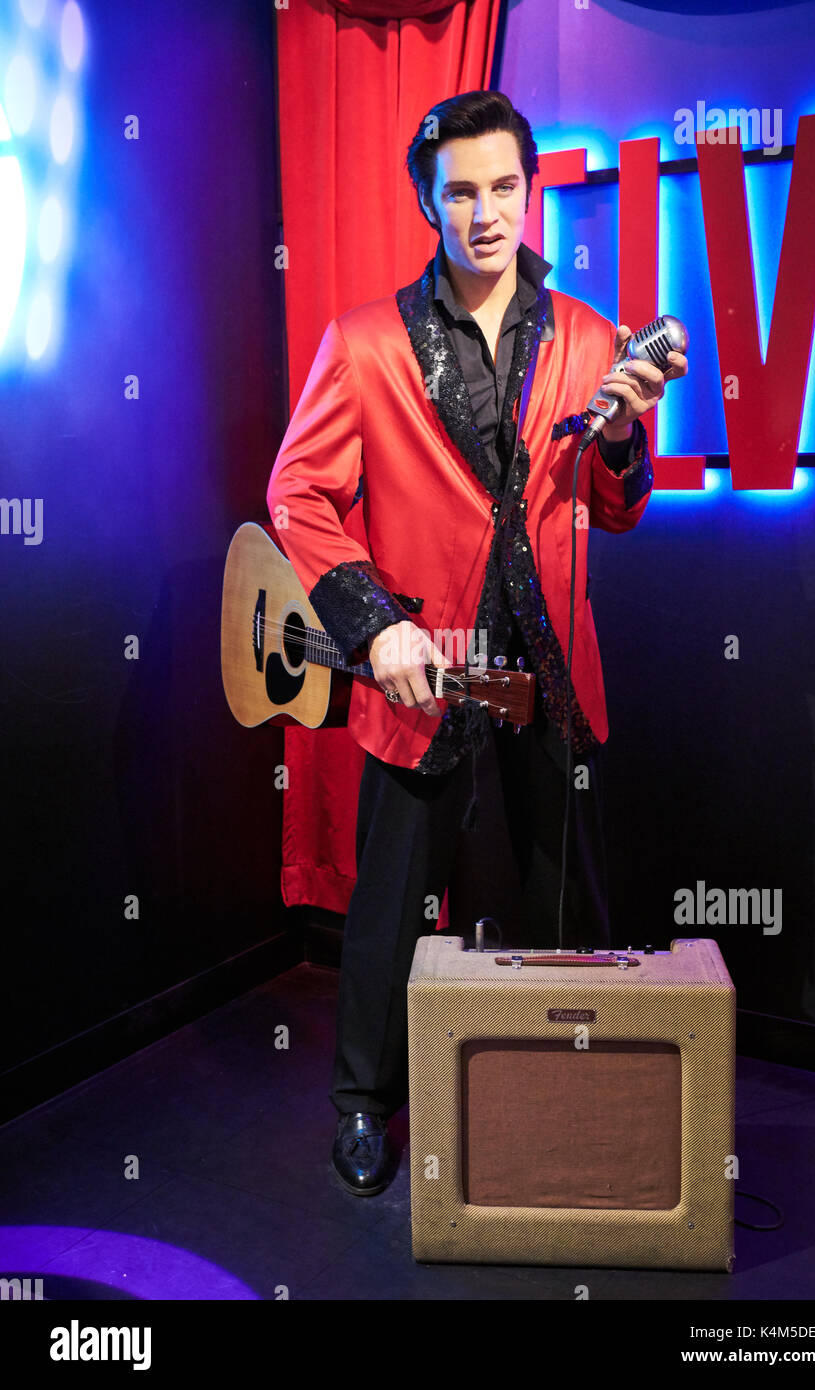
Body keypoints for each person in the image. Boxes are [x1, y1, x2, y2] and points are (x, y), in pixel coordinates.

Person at [266, 91, 687, 1196]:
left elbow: (619, 504)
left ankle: (564, 1090)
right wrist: (377, 621)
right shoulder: (361, 343)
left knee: (562, 901)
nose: (485, 211)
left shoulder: (592, 337)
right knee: (387, 904)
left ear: (528, 189)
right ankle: (362, 1102)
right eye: (460, 190)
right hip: (422, 667)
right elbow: (296, 490)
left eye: (504, 185)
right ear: (429, 201)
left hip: (544, 668)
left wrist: (629, 431)